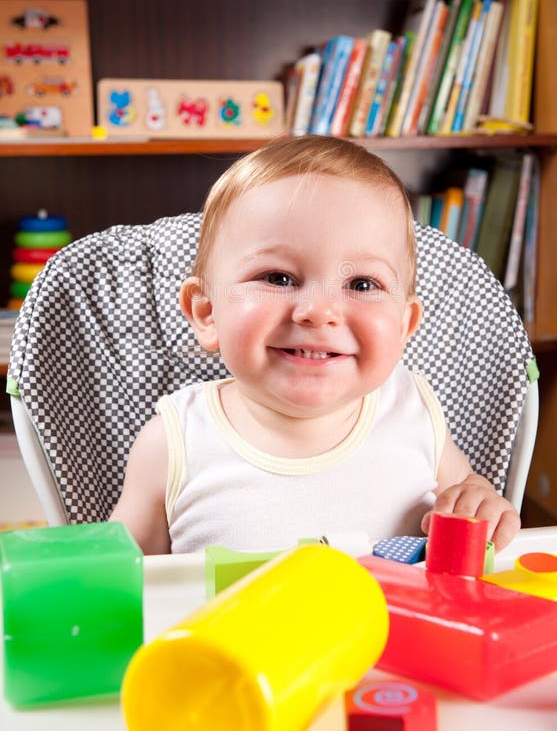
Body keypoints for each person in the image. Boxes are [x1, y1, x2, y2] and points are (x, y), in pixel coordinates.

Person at [110, 135, 520, 555]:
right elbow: (120, 585)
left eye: (362, 284)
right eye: (277, 278)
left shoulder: (416, 414)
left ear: (402, 326)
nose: (317, 311)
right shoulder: (173, 443)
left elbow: (469, 516)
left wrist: (479, 500)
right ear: (207, 313)